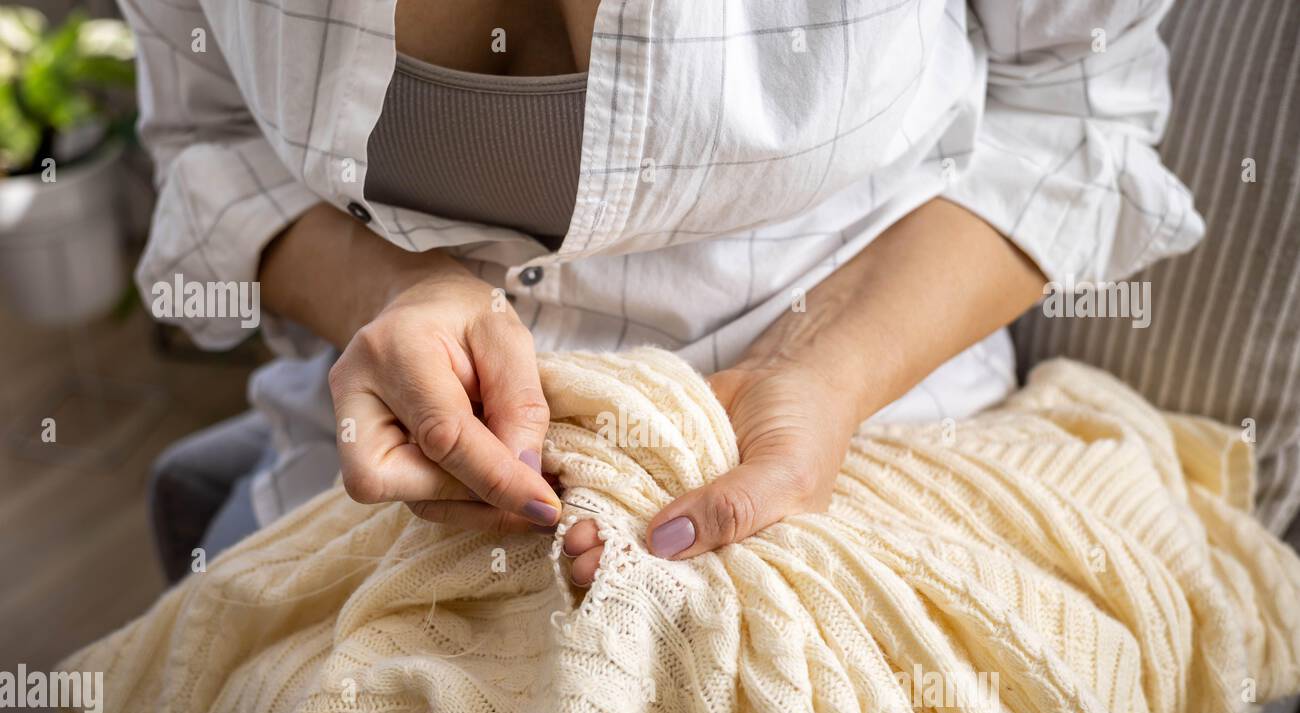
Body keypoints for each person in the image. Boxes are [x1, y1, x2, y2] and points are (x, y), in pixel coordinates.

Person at [124, 0, 1201, 586]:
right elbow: (210, 142)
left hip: (872, 424)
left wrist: (818, 373)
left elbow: (1073, 112)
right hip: (399, 477)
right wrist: (402, 292)